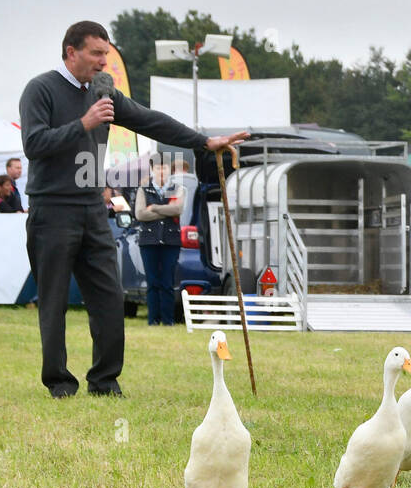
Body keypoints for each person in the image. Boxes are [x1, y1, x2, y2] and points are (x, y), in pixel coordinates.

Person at [19, 20, 247, 399]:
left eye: (107, 54)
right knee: (54, 301)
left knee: (109, 296)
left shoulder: (102, 93)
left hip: (94, 208)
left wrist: (205, 141)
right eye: (96, 53)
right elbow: (34, 143)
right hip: (52, 208)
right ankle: (59, 383)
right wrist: (83, 123)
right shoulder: (40, 89)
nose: (104, 62)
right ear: (71, 52)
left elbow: (152, 121)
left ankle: (105, 381)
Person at [135, 158, 183, 326]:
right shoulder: (143, 189)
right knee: (152, 282)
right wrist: (167, 212)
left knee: (167, 282)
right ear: (152, 170)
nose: (161, 171)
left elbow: (177, 209)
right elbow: (140, 214)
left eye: (164, 168)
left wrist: (154, 208)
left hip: (171, 241)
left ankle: (168, 320)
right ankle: (153, 320)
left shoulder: (177, 189)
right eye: (157, 168)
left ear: (169, 170)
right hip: (149, 241)